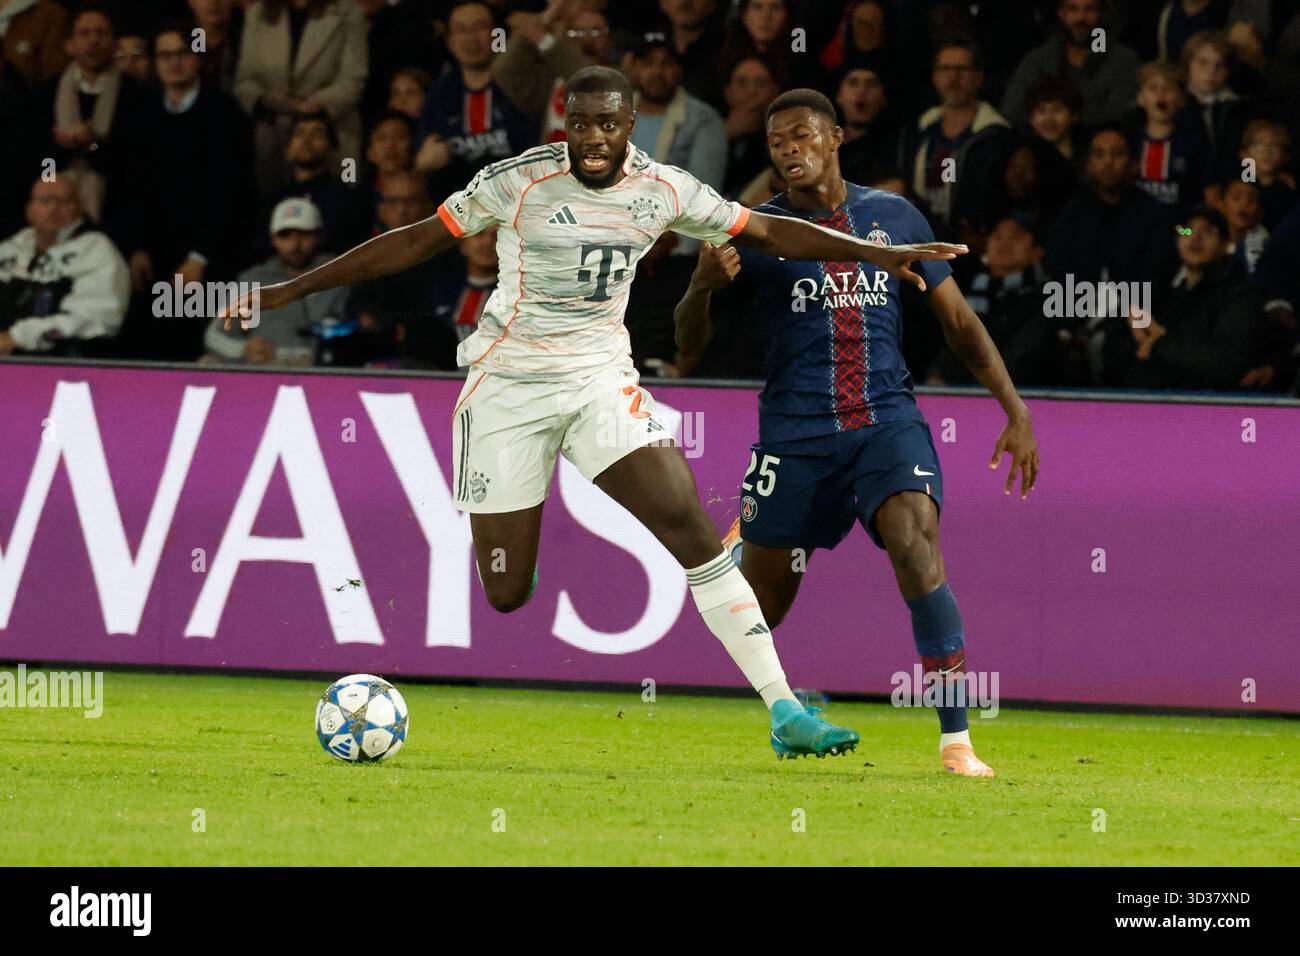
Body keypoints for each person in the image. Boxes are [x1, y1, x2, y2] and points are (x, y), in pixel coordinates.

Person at [222, 66, 968, 760]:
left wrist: (871, 255)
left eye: (608, 125)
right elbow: (416, 241)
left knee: (692, 528)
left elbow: (771, 232)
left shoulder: (666, 189)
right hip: (508, 387)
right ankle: (522, 512)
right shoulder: (517, 182)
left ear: (631, 124)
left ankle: (785, 712)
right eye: (580, 125)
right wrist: (287, 293)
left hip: (597, 381)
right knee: (507, 592)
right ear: (565, 124)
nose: (594, 140)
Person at [672, 89, 1040, 777]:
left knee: (914, 544)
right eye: (777, 141)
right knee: (762, 607)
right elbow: (687, 345)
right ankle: (787, 715)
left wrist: (1014, 410)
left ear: (834, 137)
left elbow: (957, 323)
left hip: (885, 424)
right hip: (795, 436)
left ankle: (956, 742)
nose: (789, 149)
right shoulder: (754, 232)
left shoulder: (891, 216)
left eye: (803, 135)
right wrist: (699, 288)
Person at [202, 197, 344, 366]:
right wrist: (244, 349)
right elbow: (213, 336)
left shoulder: (339, 276)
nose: (295, 245)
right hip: (257, 370)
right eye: (285, 235)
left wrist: (290, 357)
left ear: (319, 235)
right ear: (272, 239)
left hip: (316, 374)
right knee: (207, 363)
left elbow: (347, 338)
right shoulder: (253, 279)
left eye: (304, 235)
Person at [0, 171, 129, 356]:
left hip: (62, 363)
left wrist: (17, 337)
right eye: (45, 200)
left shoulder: (95, 249)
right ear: (29, 209)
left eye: (65, 201)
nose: (54, 208)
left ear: (79, 208)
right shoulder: (12, 247)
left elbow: (97, 318)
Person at [1001, 0, 1141, 127]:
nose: (1081, 18)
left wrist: (1063, 126)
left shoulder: (1123, 59)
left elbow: (1120, 116)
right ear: (1061, 13)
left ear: (1102, 14)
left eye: (1090, 9)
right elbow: (1012, 109)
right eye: (1073, 9)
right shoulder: (1039, 59)